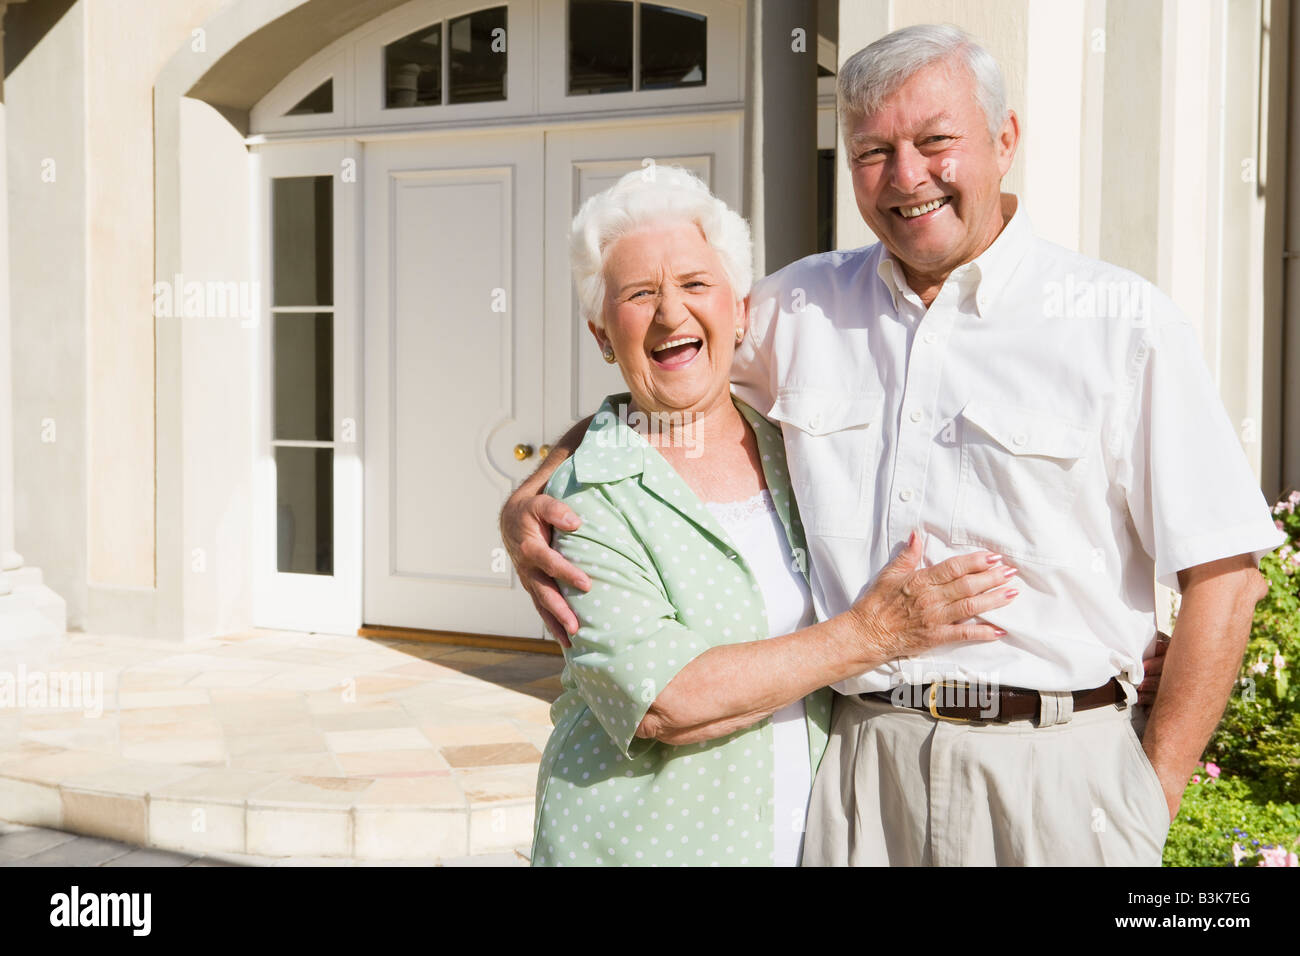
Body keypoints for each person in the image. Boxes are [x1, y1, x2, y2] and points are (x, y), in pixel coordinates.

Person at [504, 24, 1278, 866]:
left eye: (936, 140)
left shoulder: (1121, 322)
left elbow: (1224, 578)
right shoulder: (798, 309)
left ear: (1005, 138)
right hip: (858, 774)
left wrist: (1147, 799)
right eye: (873, 151)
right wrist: (539, 483)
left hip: (1054, 772)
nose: (907, 177)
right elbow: (673, 373)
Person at [528, 167, 1019, 866]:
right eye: (639, 295)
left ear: (740, 310)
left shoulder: (798, 448)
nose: (672, 315)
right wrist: (871, 634)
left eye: (695, 285)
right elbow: (670, 700)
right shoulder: (586, 499)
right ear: (603, 335)